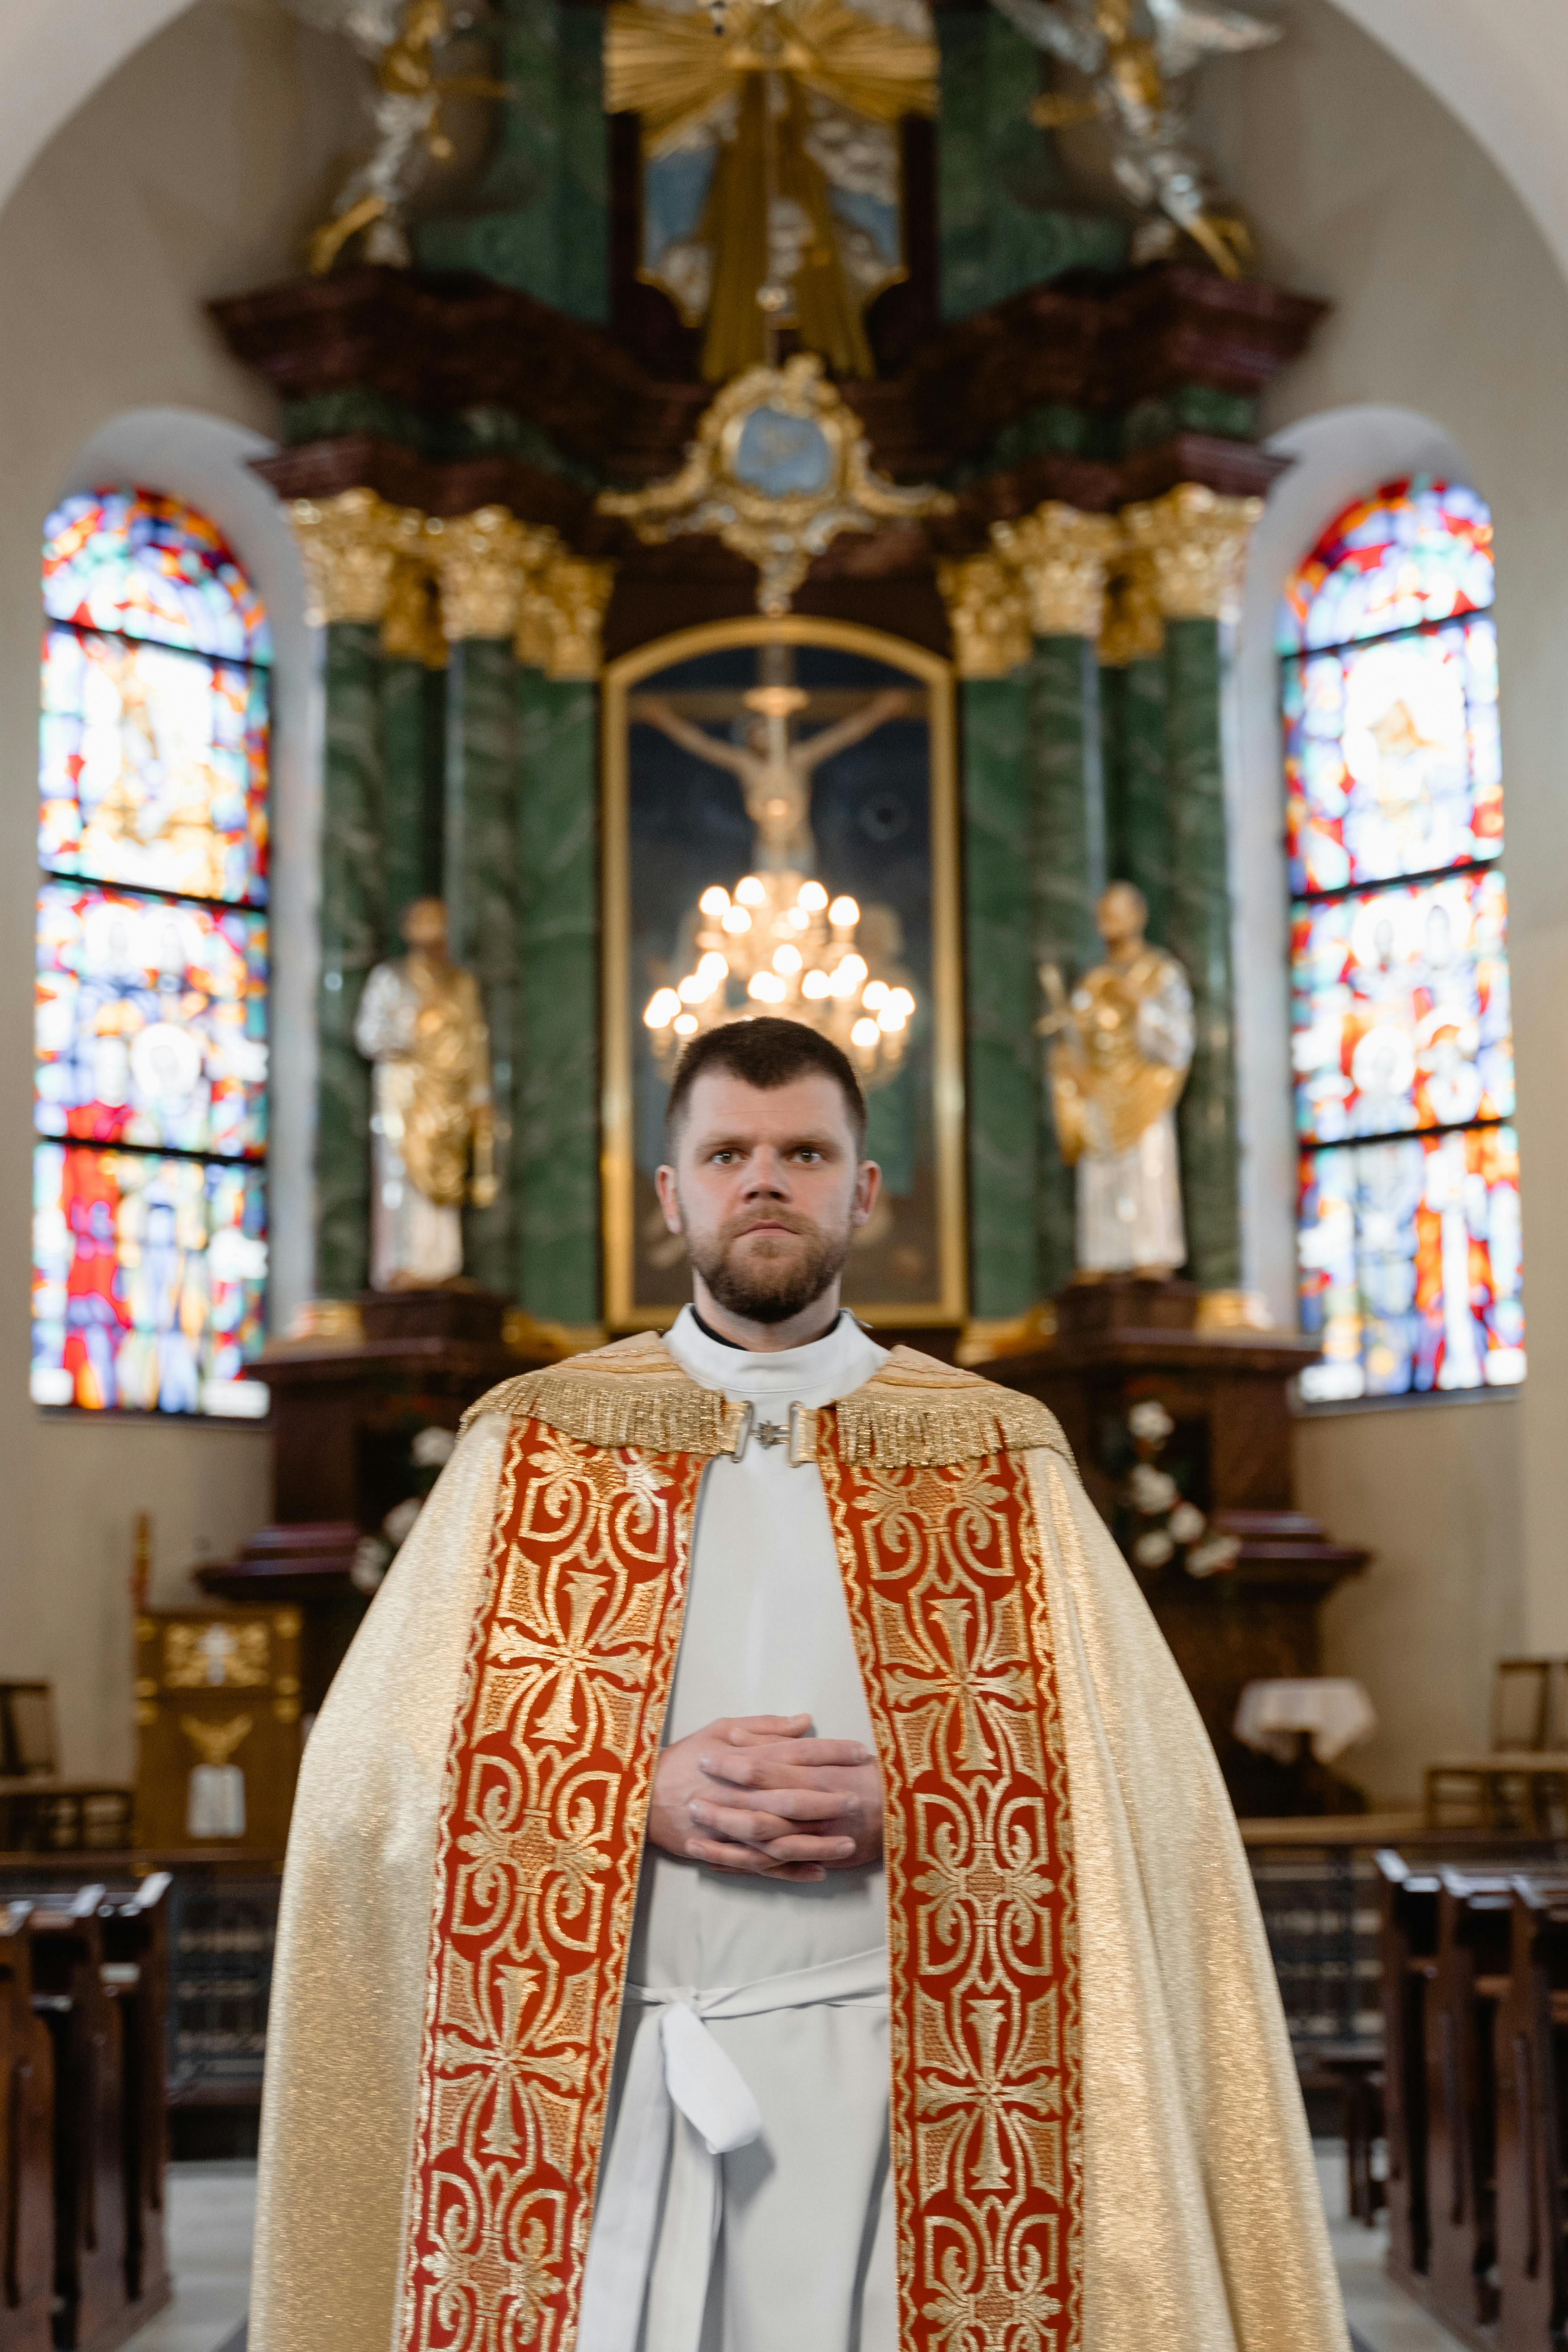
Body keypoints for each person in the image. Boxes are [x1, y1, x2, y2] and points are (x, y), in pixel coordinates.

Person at [250, 1016, 1347, 2352]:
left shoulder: (1000, 1455)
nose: (763, 1180)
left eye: (805, 1151)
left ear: (864, 1189)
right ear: (671, 1195)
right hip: (607, 2092)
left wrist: (937, 1799)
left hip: (921, 2086)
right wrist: (623, 1789)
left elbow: (1144, 1796)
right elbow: (370, 1777)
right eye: (726, 1151)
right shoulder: (531, 1444)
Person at [1044, 879, 1195, 1277]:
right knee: (1101, 1182)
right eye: (1103, 912)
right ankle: (1102, 1259)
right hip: (1101, 1094)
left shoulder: (1161, 973)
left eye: (1118, 909)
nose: (1108, 919)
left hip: (1145, 1092)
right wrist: (1068, 1063)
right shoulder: (1091, 985)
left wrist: (1142, 1004)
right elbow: (1077, 1041)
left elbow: (1177, 1042)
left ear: (1139, 916)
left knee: (1147, 1171)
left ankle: (1152, 1255)